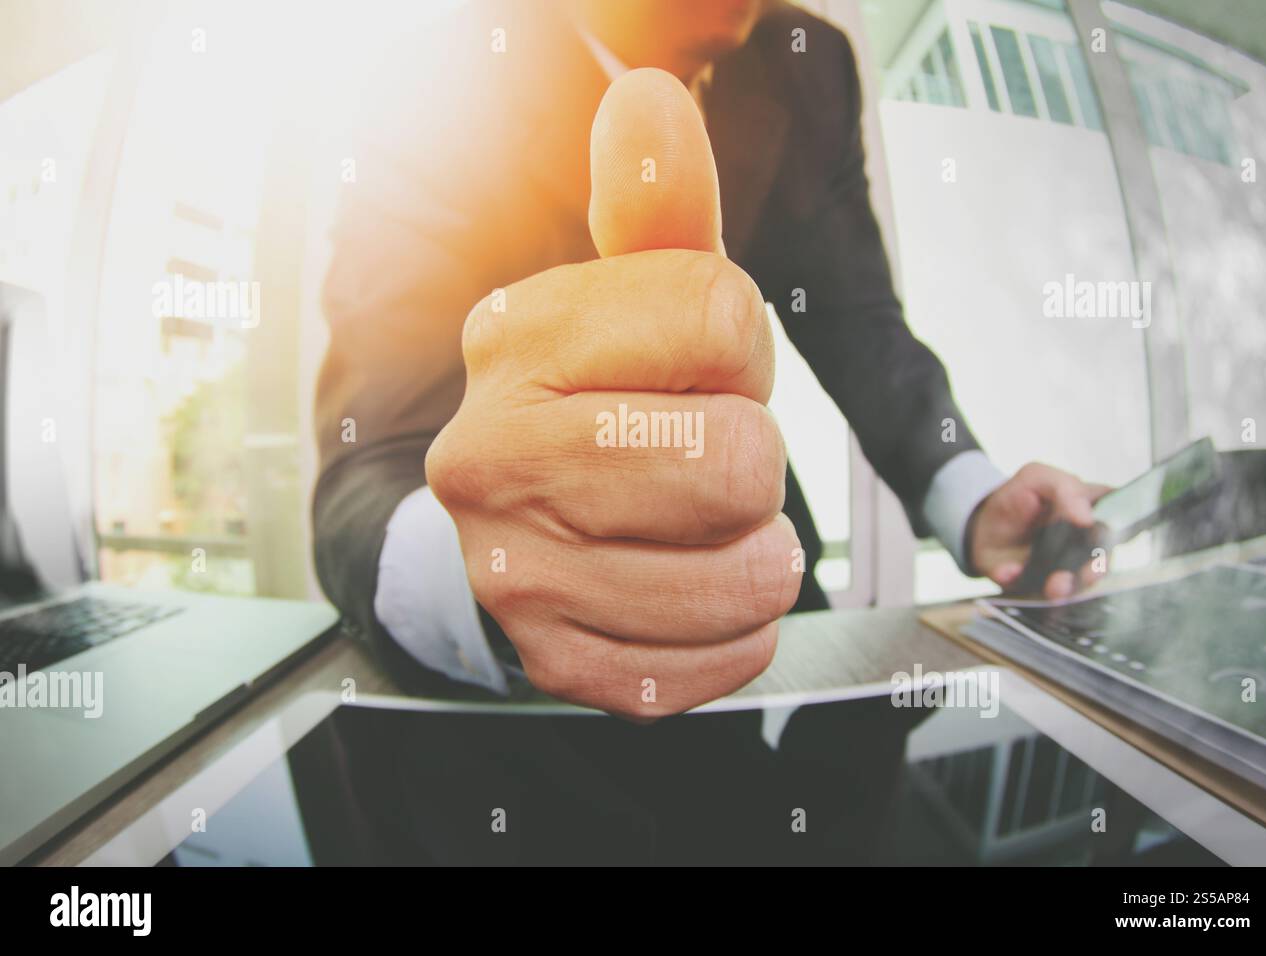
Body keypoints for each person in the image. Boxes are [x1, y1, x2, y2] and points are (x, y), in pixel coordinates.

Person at [313, 0, 1105, 718]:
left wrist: (970, 492)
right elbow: (368, 458)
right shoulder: (434, 79)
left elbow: (858, 321)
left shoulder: (809, 66)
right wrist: (492, 573)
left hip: (763, 616)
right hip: (518, 732)